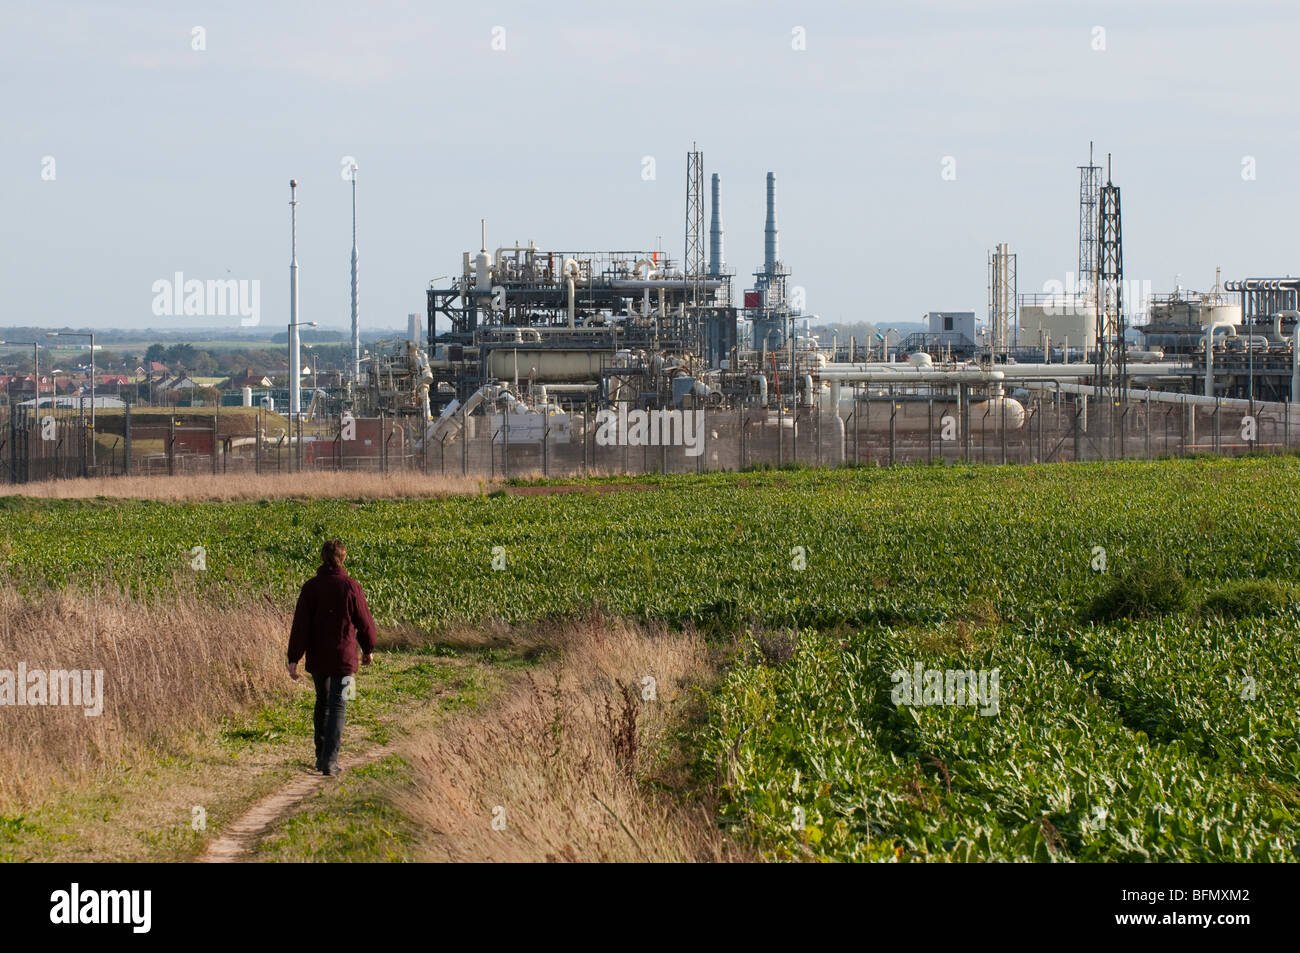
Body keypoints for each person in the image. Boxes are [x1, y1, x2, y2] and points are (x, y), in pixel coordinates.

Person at [286, 539, 377, 776]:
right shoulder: (351, 586)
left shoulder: (310, 587)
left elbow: (300, 626)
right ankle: (330, 759)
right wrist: (368, 649)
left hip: (318, 658)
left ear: (322, 557)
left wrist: (294, 657)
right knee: (338, 705)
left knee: (322, 702)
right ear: (343, 557)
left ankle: (320, 756)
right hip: (343, 659)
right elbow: (364, 623)